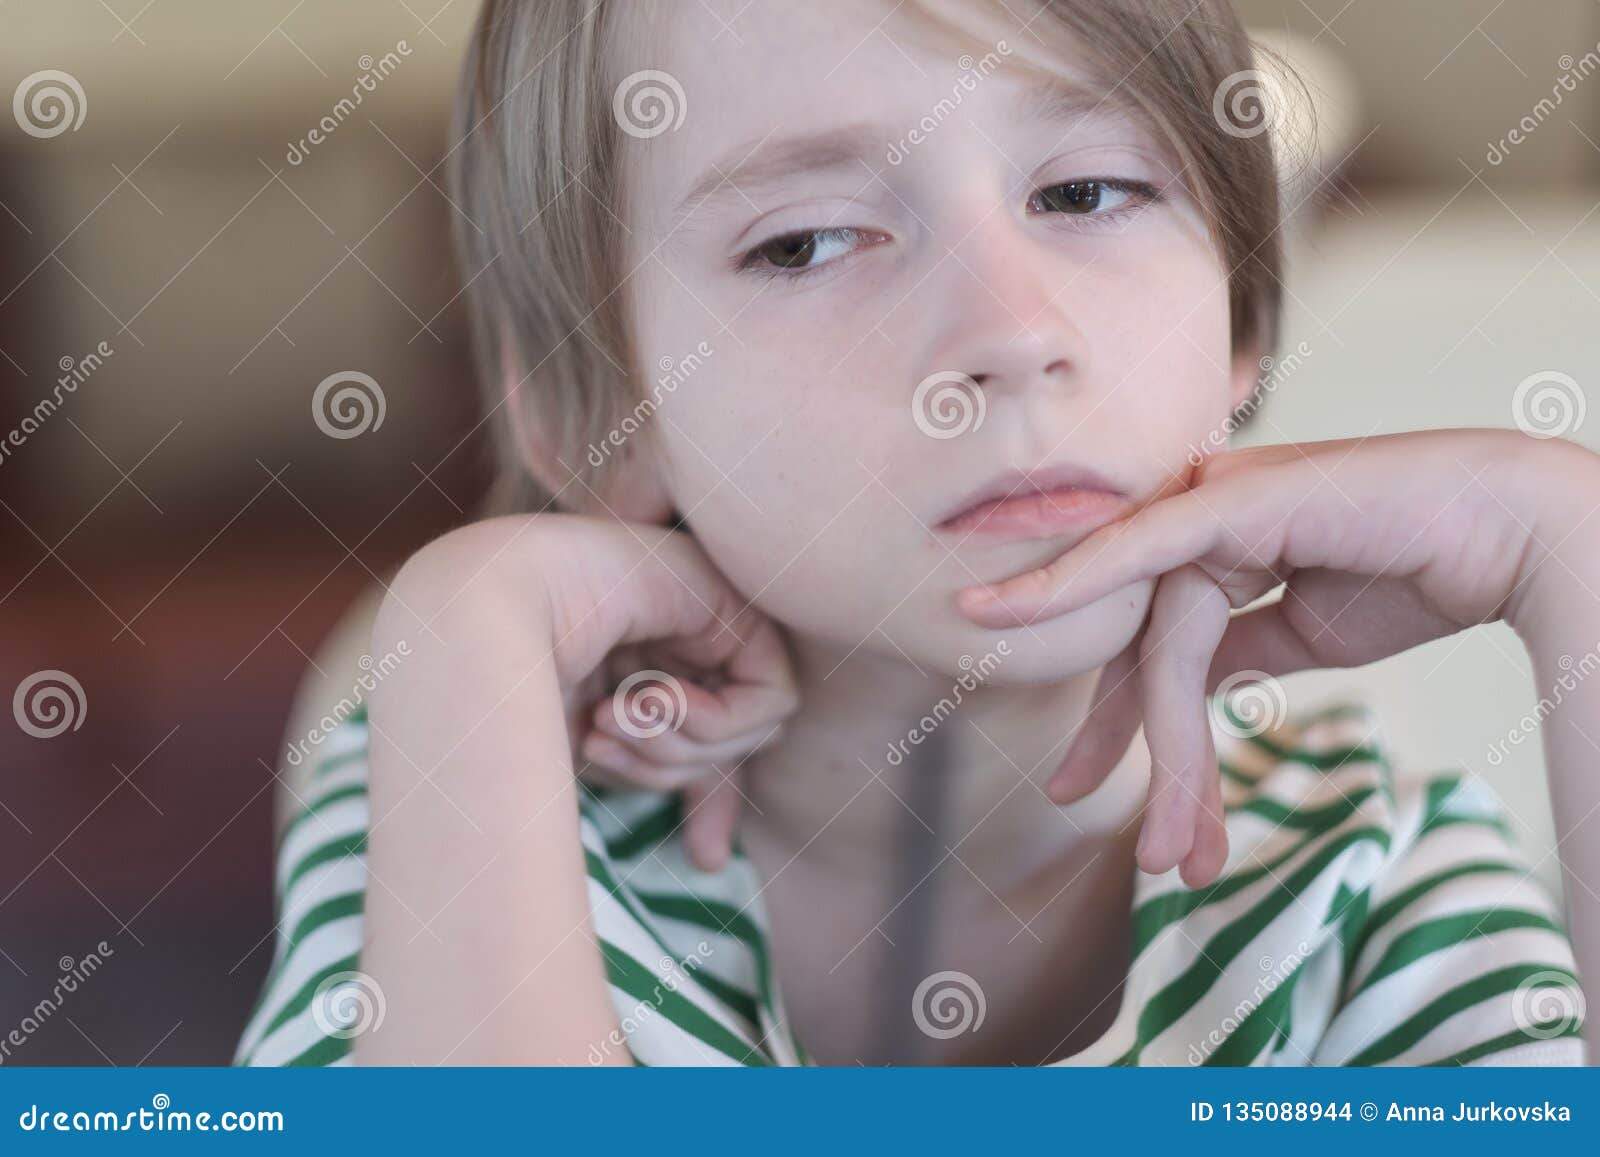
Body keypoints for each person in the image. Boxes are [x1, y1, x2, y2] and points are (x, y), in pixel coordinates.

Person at [236, 0, 1592, 1067]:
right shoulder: (476, 802)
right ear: (599, 410)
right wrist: (468, 607)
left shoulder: (1366, 878)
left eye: (1087, 193)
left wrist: (1569, 547)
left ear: (1238, 320)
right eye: (807, 242)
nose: (1011, 331)